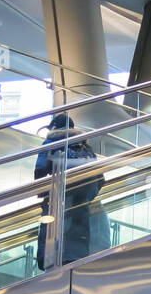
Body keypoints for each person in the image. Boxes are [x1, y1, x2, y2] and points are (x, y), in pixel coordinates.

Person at [35, 113, 108, 268]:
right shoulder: (86, 147)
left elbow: (40, 171)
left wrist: (43, 193)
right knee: (74, 253)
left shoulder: (51, 142)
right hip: (80, 208)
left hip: (56, 206)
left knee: (53, 246)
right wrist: (84, 198)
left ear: (54, 127)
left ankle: (49, 263)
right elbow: (100, 179)